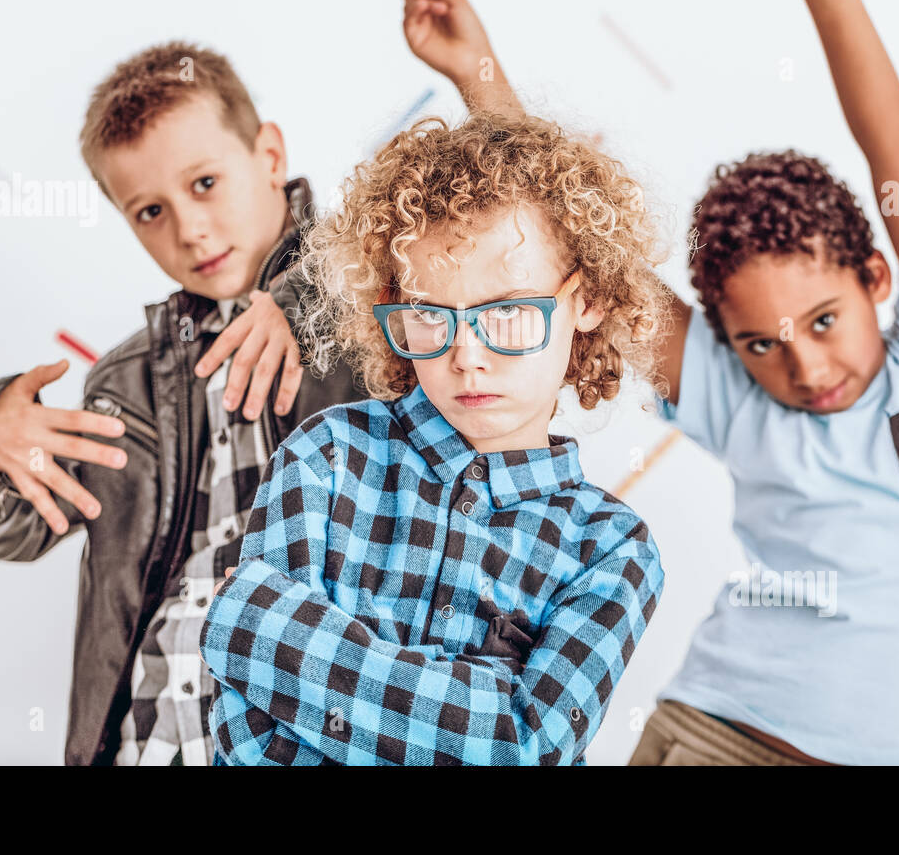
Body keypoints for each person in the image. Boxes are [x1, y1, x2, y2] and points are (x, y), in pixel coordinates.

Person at [0, 0, 523, 765]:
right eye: (151, 210)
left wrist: (309, 298)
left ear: (269, 156)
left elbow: (524, 243)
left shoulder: (382, 293)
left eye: (206, 183)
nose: (190, 230)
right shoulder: (126, 383)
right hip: (148, 740)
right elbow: (15, 526)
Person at [630, 0, 899, 765]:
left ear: (875, 276)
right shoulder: (733, 401)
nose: (803, 364)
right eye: (760, 343)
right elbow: (598, 258)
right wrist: (480, 78)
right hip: (716, 740)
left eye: (824, 321)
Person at [199, 112, 670, 764]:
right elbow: (243, 711)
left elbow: (522, 746)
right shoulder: (326, 455)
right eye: (427, 314)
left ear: (585, 298)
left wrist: (286, 642)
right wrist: (472, 703)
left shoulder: (611, 550)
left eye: (506, 312)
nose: (466, 356)